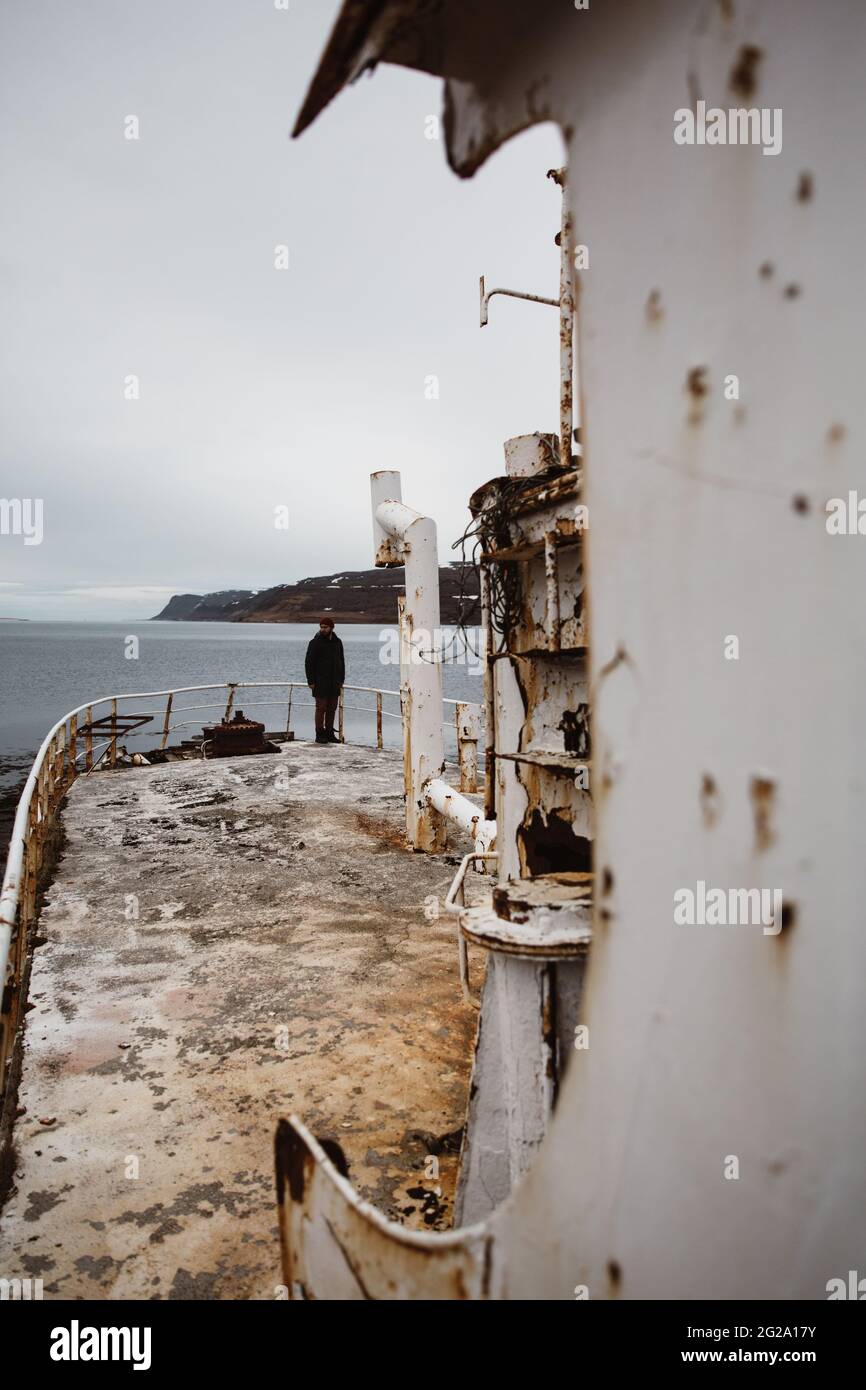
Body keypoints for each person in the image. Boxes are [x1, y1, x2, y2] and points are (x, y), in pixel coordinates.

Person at [305, 617, 345, 744]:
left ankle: (329, 734)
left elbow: (342, 661)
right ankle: (319, 734)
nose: (322, 629)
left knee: (332, 708)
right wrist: (310, 681)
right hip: (320, 681)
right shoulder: (315, 642)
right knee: (321, 708)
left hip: (334, 682)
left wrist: (341, 678)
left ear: (332, 627)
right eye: (321, 627)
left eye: (325, 627)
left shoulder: (338, 642)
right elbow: (309, 663)